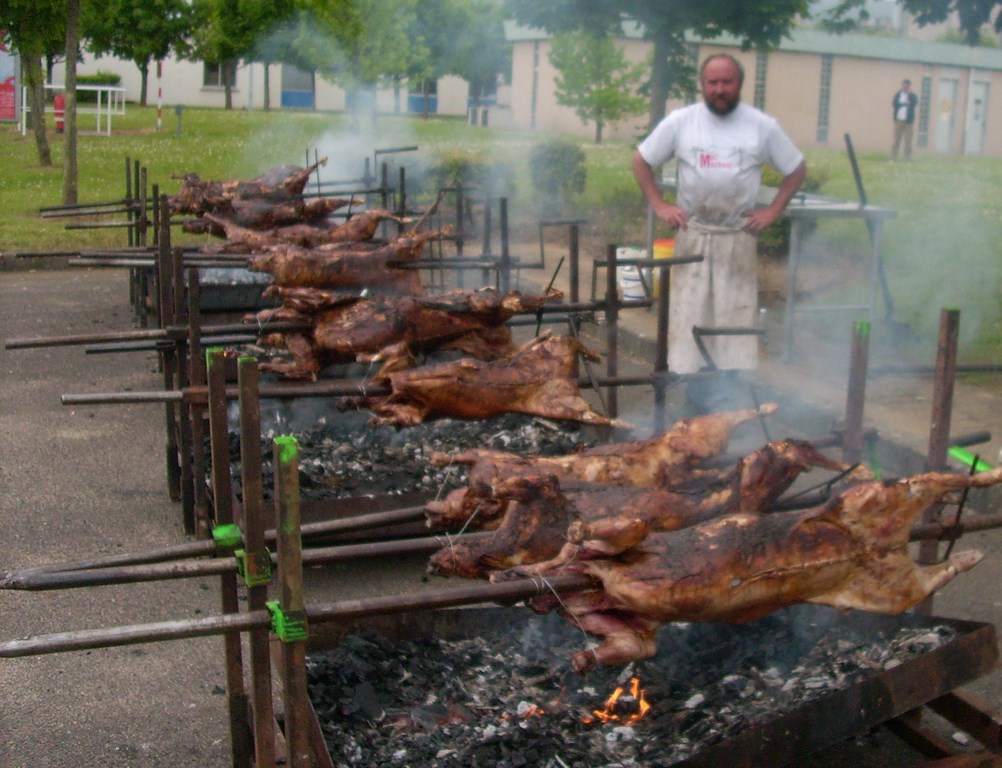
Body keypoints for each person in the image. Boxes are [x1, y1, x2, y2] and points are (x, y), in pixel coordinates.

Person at [632, 53, 806, 406]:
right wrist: (660, 205)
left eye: (727, 82)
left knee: (731, 316)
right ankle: (695, 394)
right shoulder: (682, 122)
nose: (720, 89)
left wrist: (773, 210)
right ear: (703, 85)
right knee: (691, 314)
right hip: (694, 233)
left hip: (736, 237)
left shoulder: (761, 126)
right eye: (713, 82)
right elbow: (641, 160)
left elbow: (796, 168)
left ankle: (726, 393)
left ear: (739, 84)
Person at [891, 79, 918, 161]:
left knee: (908, 141)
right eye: (904, 85)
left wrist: (909, 95)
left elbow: (915, 103)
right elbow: (894, 104)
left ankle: (908, 158)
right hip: (899, 120)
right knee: (896, 140)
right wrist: (902, 104)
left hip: (909, 121)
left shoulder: (912, 95)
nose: (905, 87)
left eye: (907, 85)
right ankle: (893, 158)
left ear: (909, 86)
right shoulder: (898, 94)